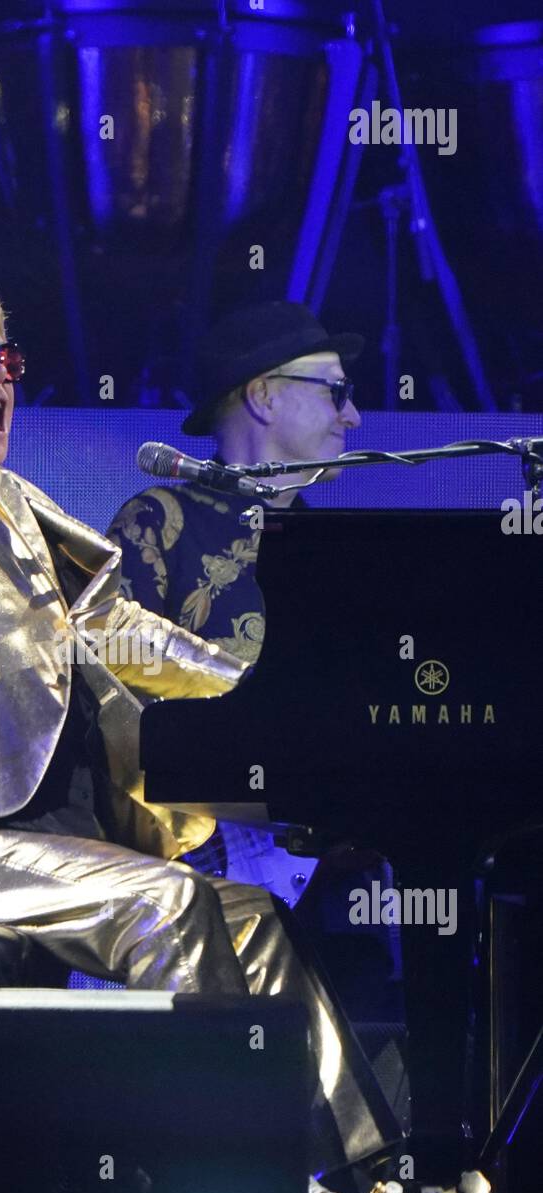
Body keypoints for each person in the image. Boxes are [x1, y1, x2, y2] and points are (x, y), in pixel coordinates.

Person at [0, 29, 406, 1193]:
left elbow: (133, 638)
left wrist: (288, 709)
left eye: (4, 358)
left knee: (243, 916)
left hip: (4, 840)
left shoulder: (33, 519)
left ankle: (372, 1173)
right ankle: (248, 1190)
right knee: (173, 910)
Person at [107, 304, 403, 1015]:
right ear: (264, 395)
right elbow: (111, 701)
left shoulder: (337, 550)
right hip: (206, 879)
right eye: (336, 391)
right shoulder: (158, 521)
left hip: (341, 882)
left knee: (367, 1052)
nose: (353, 417)